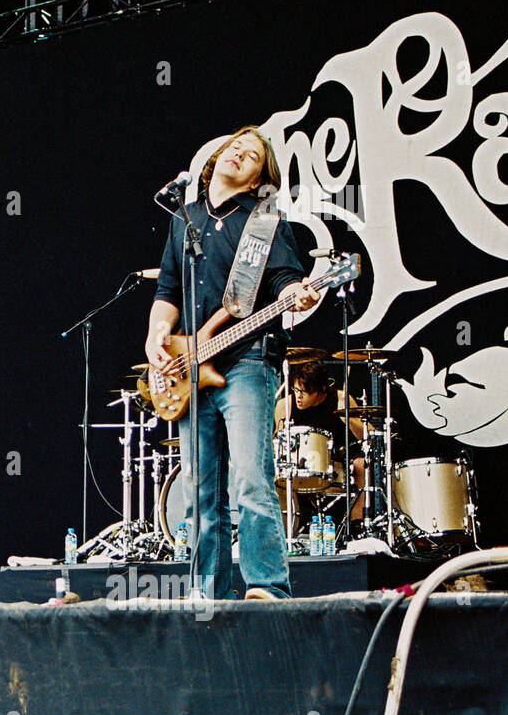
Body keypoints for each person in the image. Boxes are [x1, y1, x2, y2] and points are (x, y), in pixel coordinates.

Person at [145, 127, 320, 600]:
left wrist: (294, 294)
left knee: (250, 479)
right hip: (189, 368)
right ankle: (208, 592)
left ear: (256, 179)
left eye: (253, 156)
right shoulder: (184, 218)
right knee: (200, 493)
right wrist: (155, 340)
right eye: (234, 147)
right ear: (216, 158)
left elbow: (285, 276)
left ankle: (267, 586)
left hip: (247, 360)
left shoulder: (263, 220)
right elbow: (166, 291)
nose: (241, 153)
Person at [274, 360, 368, 518]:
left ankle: (357, 524)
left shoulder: (339, 398)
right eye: (296, 390)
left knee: (362, 465)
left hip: (336, 460)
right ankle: (289, 525)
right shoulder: (286, 405)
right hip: (298, 463)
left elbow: (367, 435)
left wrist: (348, 419)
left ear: (322, 390)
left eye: (305, 392)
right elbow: (277, 443)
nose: (299, 396)